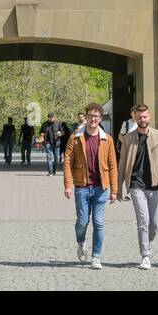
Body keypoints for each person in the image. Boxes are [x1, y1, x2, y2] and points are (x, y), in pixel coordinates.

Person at [62, 103, 118, 269]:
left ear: (100, 118)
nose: (93, 119)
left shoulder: (107, 139)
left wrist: (114, 190)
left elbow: (113, 165)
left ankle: (96, 257)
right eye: (90, 116)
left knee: (99, 222)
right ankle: (81, 241)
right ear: (85, 117)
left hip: (101, 187)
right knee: (82, 221)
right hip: (82, 187)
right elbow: (67, 161)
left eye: (96, 116)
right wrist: (68, 185)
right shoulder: (75, 137)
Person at [117, 103, 158, 269]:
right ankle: (145, 255)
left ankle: (147, 241)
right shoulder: (128, 138)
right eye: (139, 117)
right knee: (143, 220)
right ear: (134, 118)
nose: (142, 120)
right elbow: (122, 162)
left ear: (149, 117)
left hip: (154, 185)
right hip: (135, 184)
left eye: (145, 117)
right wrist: (118, 187)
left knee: (155, 223)